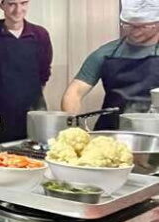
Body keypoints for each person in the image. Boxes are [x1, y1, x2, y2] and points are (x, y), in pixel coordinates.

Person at [61, 0, 159, 130]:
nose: (136, 32)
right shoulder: (106, 54)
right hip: (110, 132)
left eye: (143, 27)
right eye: (129, 26)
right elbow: (75, 92)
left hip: (153, 135)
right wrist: (74, 126)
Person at [0, 0, 53, 146]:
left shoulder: (40, 35)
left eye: (23, 3)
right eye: (12, 4)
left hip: (32, 115)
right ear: (2, 5)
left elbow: (44, 73)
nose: (18, 9)